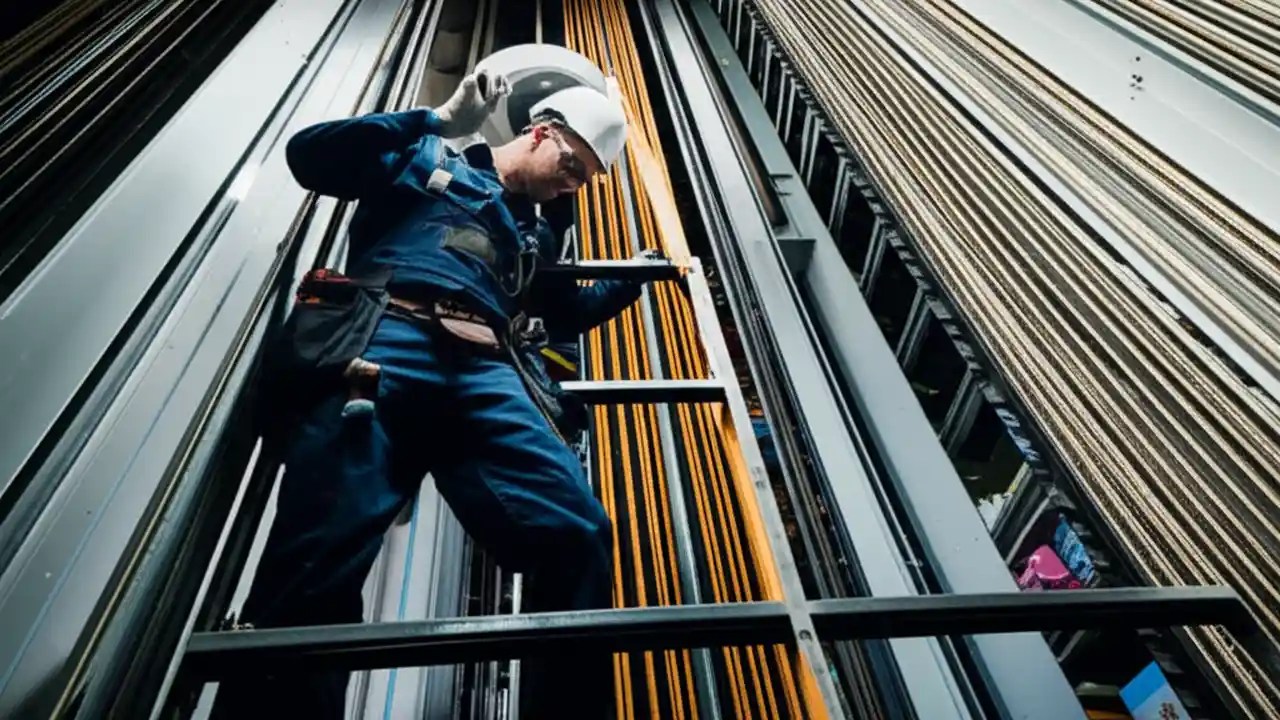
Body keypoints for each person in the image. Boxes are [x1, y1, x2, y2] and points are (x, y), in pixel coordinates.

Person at [212, 67, 653, 719]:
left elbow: (559, 316)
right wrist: (436, 120)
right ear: (539, 132)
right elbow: (311, 155)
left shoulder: (537, 237)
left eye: (585, 179)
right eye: (572, 164)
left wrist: (630, 282)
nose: (574, 184)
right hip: (383, 342)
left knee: (578, 531)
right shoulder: (427, 160)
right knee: (314, 570)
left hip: (484, 371)